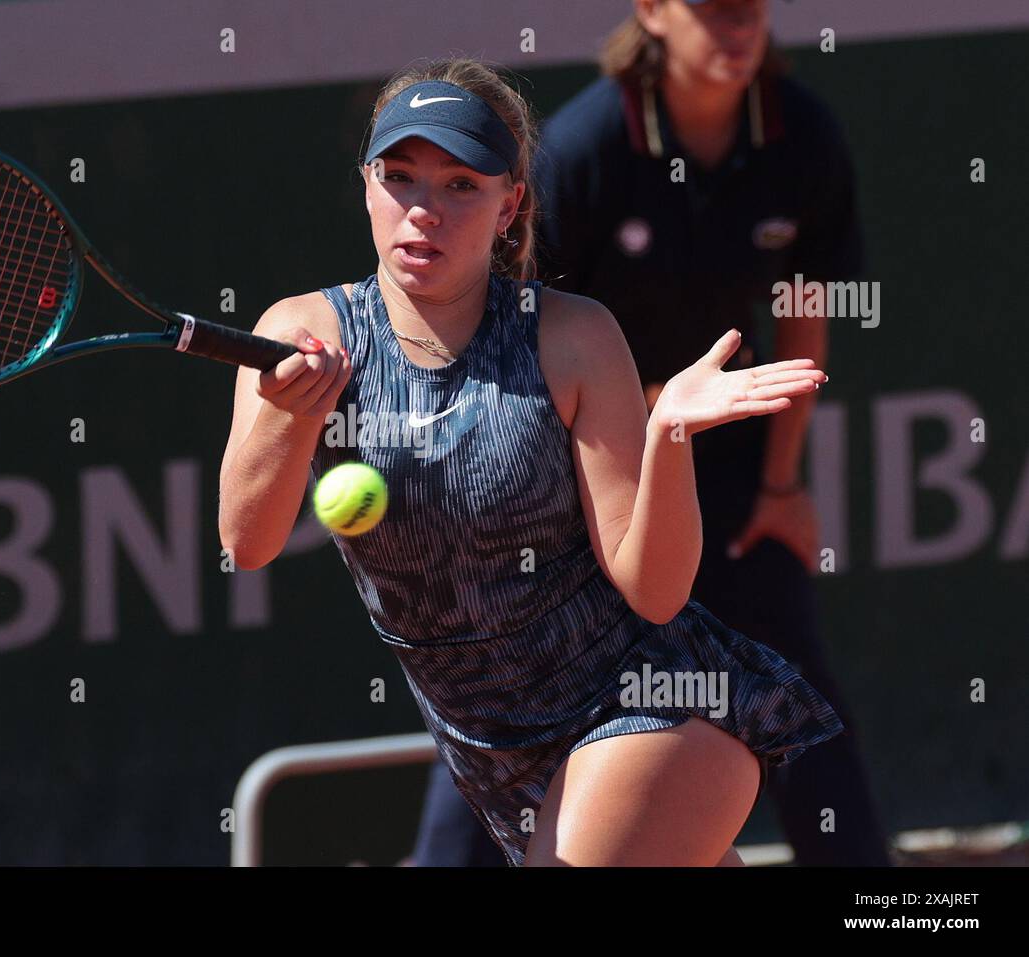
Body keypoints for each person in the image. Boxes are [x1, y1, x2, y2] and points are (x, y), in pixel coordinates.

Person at [219, 56, 842, 867]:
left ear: (509, 204)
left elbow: (655, 594)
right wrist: (288, 415)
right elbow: (247, 543)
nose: (423, 211)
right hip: (501, 769)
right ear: (367, 184)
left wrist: (669, 435)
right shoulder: (298, 333)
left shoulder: (574, 337)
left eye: (460, 185)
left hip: (653, 716)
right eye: (400, 177)